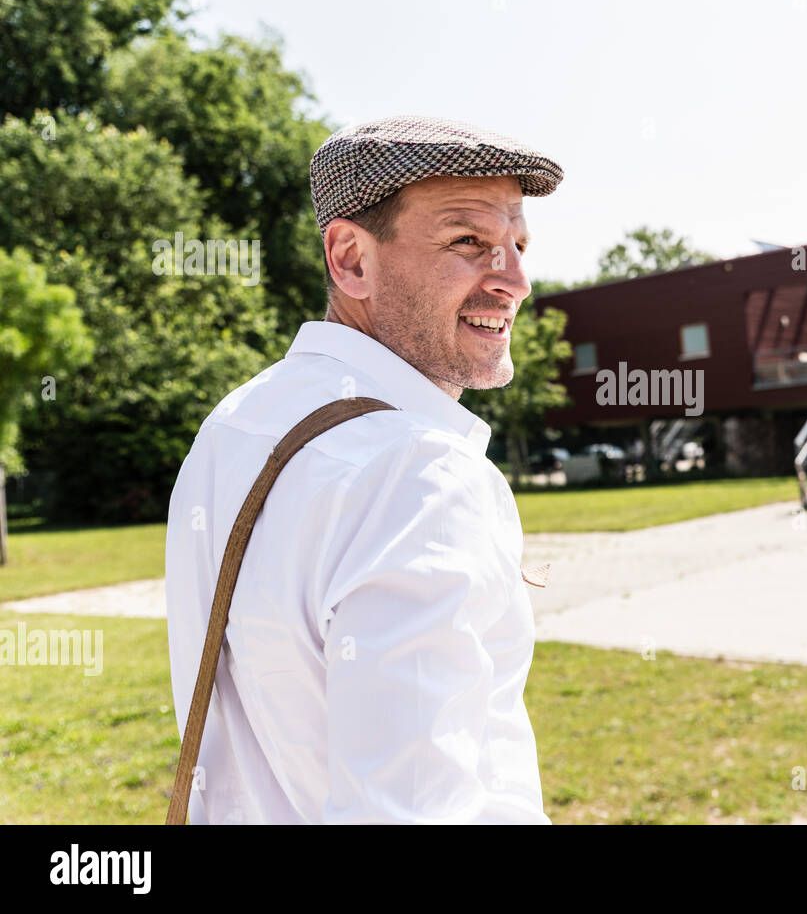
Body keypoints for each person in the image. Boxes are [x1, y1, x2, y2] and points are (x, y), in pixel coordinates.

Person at [164, 116, 563, 823]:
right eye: (469, 241)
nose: (516, 283)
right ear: (351, 259)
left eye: (518, 246)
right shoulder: (418, 473)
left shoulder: (234, 424)